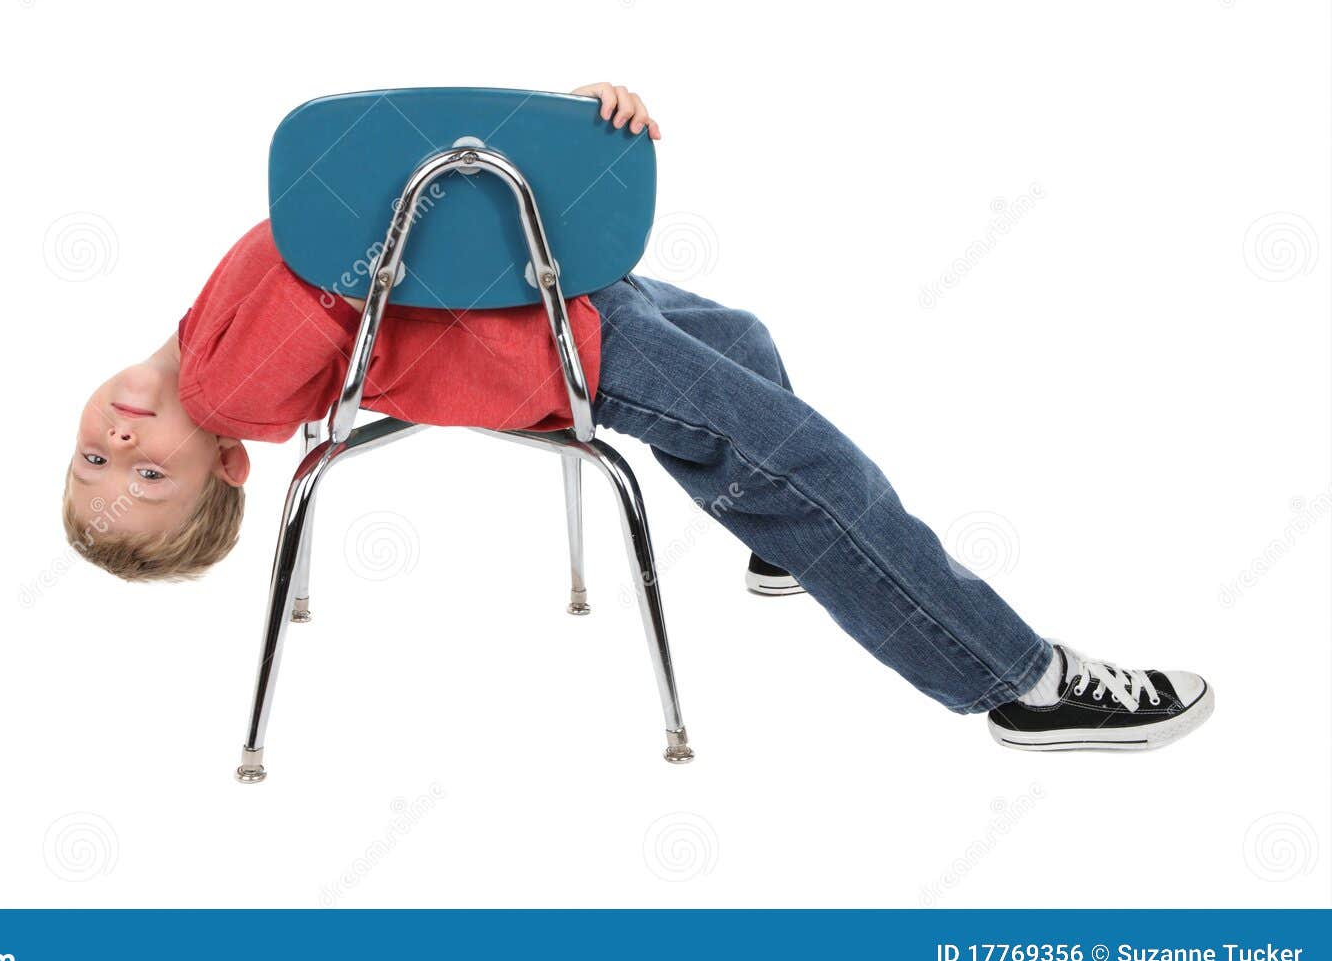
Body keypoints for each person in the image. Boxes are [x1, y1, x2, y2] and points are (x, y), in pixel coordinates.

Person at [62, 82, 1213, 752]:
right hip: (552, 349)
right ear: (224, 462)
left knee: (744, 341)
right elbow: (352, 258)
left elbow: (366, 219)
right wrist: (511, 152)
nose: (118, 446)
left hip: (544, 288)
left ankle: (781, 549)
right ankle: (1010, 674)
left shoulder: (195, 336)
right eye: (145, 479)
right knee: (806, 463)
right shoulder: (226, 392)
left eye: (91, 461)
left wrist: (552, 139)